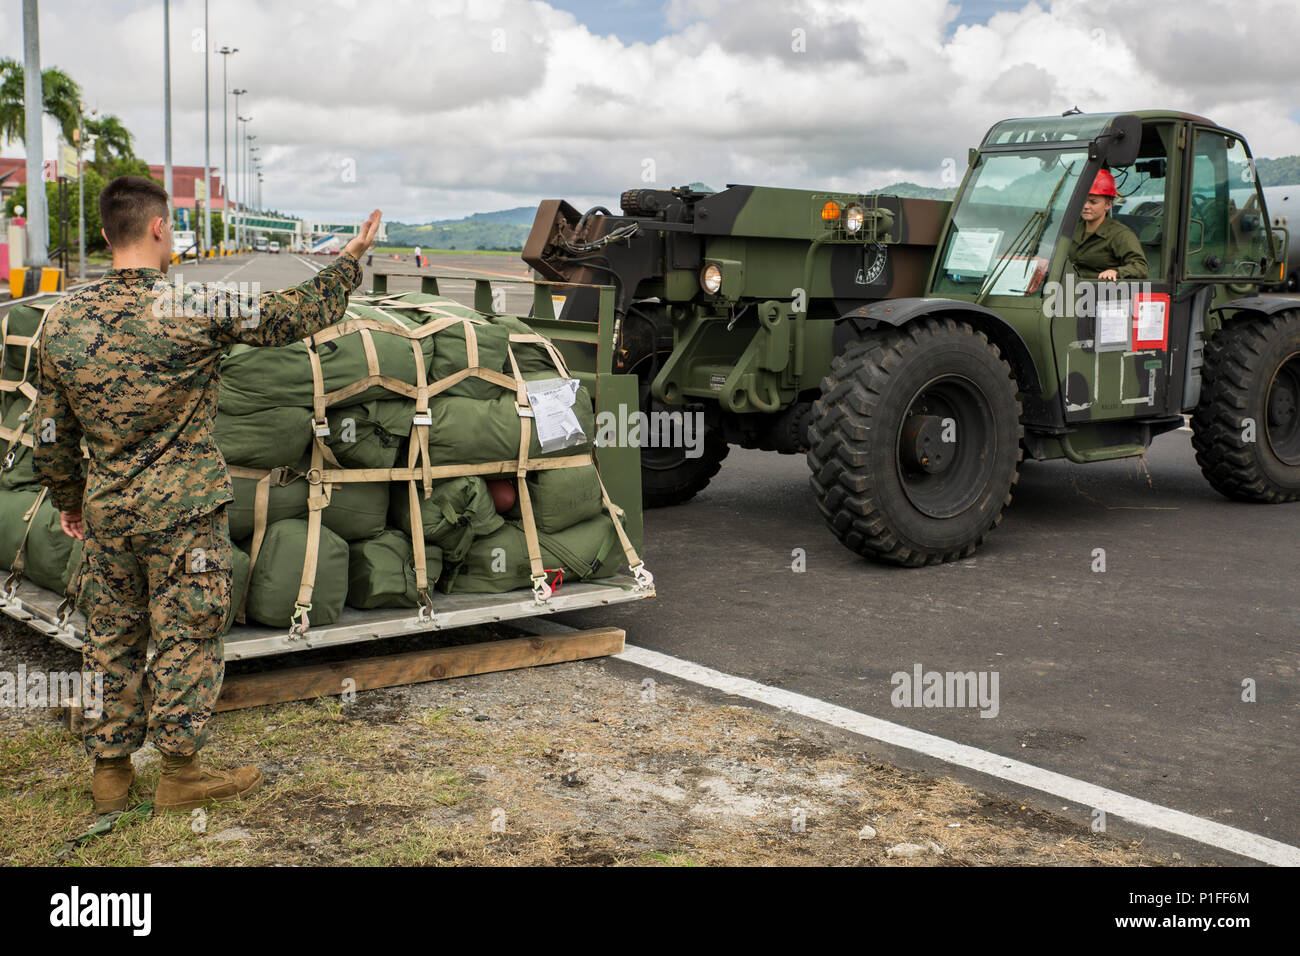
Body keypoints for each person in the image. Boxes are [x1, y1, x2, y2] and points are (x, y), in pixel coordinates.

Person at [33, 175, 382, 814]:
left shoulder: (62, 319)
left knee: (110, 633)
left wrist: (70, 499)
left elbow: (50, 430)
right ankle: (179, 773)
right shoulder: (191, 307)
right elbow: (289, 316)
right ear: (160, 229)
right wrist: (349, 261)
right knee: (185, 634)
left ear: (107, 233)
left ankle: (109, 774)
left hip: (110, 511)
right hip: (184, 512)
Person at [1066, 169, 1149, 281]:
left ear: (1108, 204)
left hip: (1101, 293)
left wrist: (1117, 272)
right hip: (1069, 289)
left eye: (1093, 202)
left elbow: (1141, 267)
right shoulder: (1072, 229)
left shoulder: (1120, 235)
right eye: (1083, 201)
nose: (1085, 206)